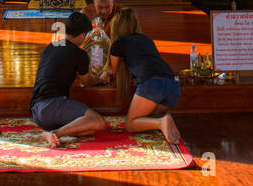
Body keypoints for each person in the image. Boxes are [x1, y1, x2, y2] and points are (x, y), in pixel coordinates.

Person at [29, 11, 107, 148]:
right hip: (52, 106)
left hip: (36, 110)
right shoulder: (79, 54)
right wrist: (100, 79)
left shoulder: (50, 47)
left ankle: (58, 129)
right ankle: (55, 133)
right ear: (83, 35)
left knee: (90, 129)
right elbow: (86, 81)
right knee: (98, 122)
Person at [107, 8, 182, 144]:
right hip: (173, 84)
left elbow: (112, 71)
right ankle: (162, 119)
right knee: (146, 116)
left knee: (130, 125)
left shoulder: (118, 44)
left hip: (152, 84)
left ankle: (162, 122)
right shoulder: (146, 39)